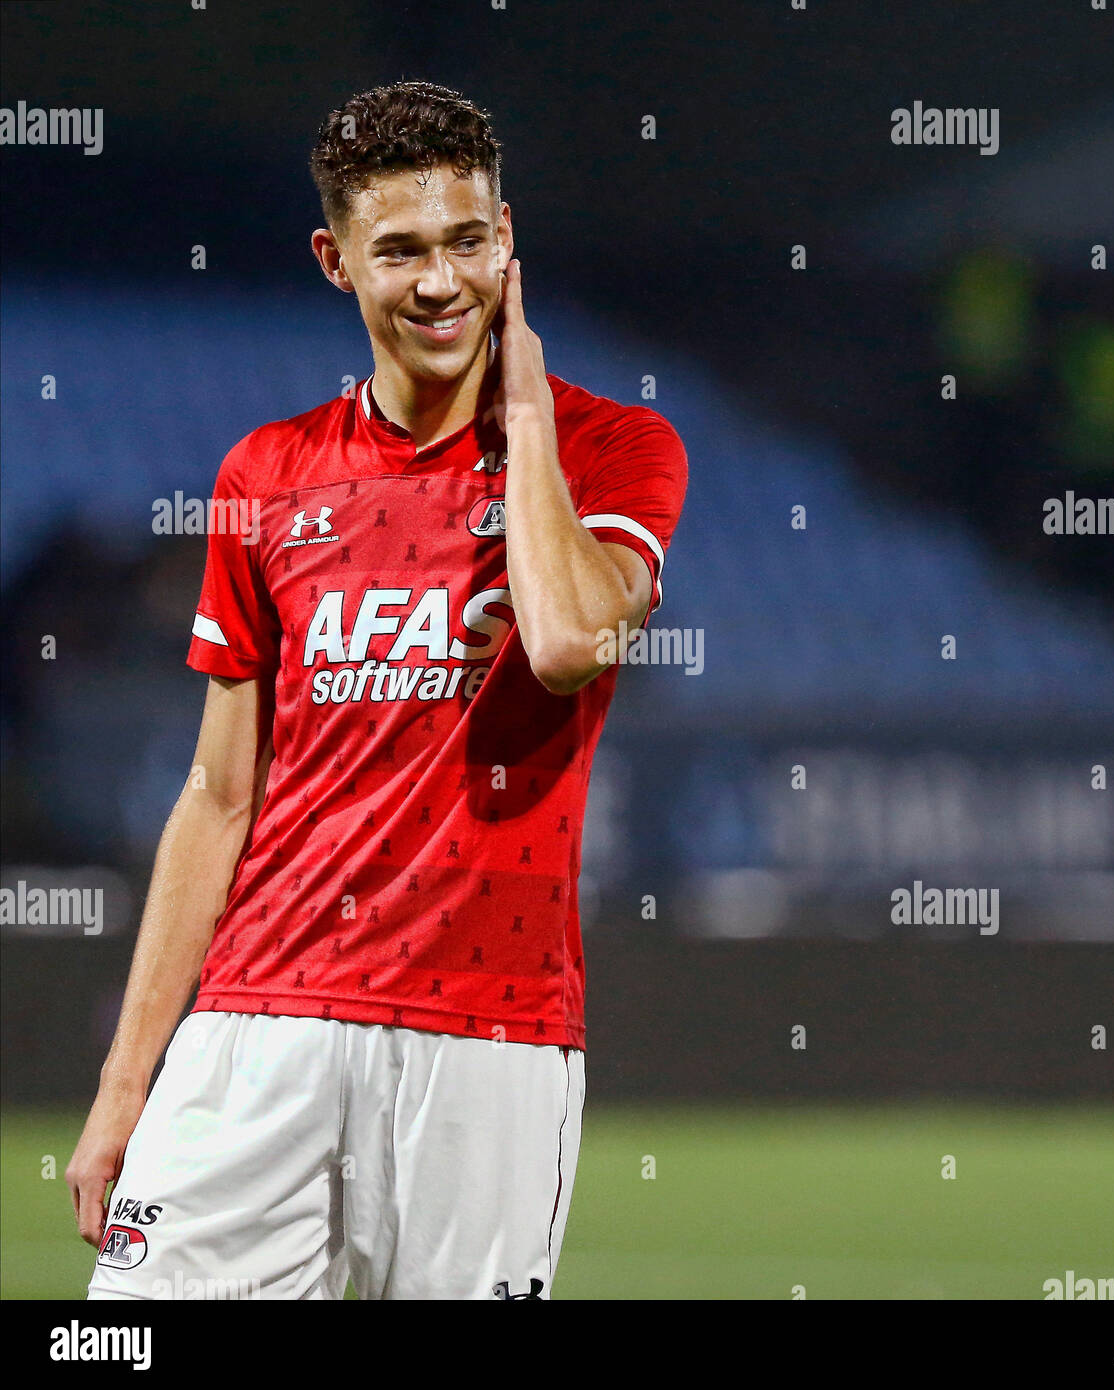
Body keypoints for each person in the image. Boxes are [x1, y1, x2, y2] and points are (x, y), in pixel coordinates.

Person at [67, 80, 688, 1300]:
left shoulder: (613, 448)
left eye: (467, 240)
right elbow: (214, 793)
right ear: (335, 261)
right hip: (256, 1024)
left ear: (506, 241)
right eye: (399, 250)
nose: (442, 281)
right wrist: (124, 1083)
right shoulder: (266, 473)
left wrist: (520, 418)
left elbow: (566, 641)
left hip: (490, 1038)